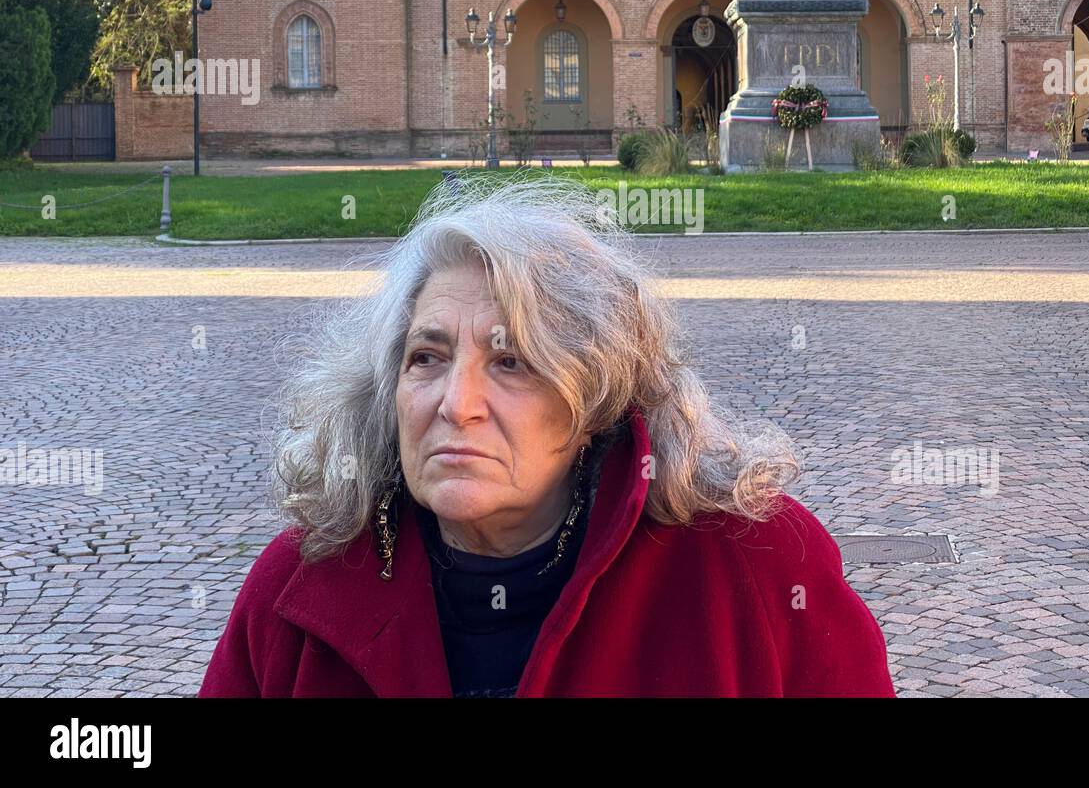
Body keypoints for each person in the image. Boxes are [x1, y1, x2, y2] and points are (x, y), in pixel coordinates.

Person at [198, 177, 895, 698]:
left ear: (594, 395)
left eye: (511, 362)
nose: (456, 402)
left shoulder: (757, 566)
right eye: (427, 357)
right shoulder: (299, 589)